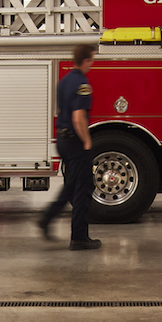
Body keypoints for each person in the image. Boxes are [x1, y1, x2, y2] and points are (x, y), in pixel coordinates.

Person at [37, 42, 101, 250]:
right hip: (75, 141)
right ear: (85, 60)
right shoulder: (82, 83)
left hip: (62, 140)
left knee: (72, 185)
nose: (92, 63)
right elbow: (78, 116)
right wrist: (87, 140)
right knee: (83, 188)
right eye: (91, 59)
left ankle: (47, 218)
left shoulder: (64, 81)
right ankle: (79, 238)